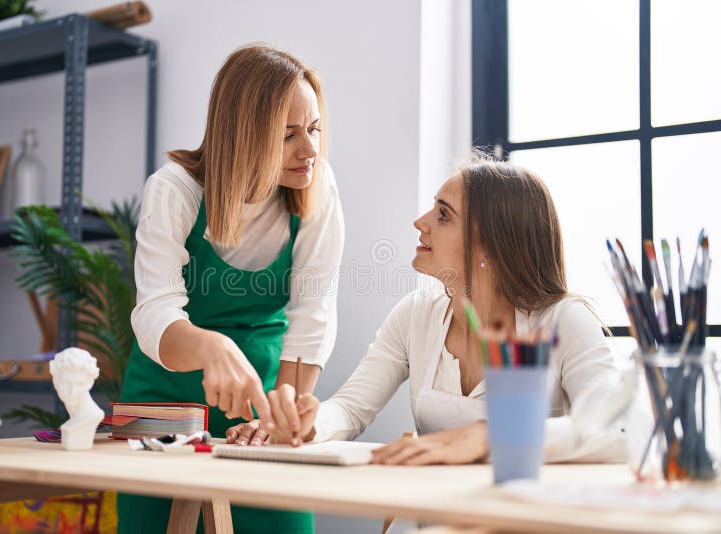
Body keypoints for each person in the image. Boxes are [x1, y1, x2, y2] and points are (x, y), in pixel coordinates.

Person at [229, 156, 628, 467]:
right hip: (436, 515)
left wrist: (491, 435)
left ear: (491, 246)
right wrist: (307, 424)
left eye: (443, 214)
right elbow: (350, 408)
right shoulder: (416, 314)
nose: (420, 222)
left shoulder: (566, 321)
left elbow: (618, 429)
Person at [118, 44, 344, 534]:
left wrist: (279, 412)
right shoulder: (175, 189)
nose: (309, 150)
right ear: (244, 134)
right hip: (162, 412)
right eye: (288, 135)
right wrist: (211, 345)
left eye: (314, 129)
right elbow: (155, 309)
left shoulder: (316, 188)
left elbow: (313, 311)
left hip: (262, 412)